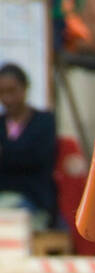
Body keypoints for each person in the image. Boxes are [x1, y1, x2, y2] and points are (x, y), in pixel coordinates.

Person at [0, 63, 56, 229]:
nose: (7, 99)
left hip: (35, 200)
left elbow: (39, 157)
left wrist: (6, 153)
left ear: (24, 89)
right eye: (2, 93)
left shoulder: (44, 122)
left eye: (12, 91)